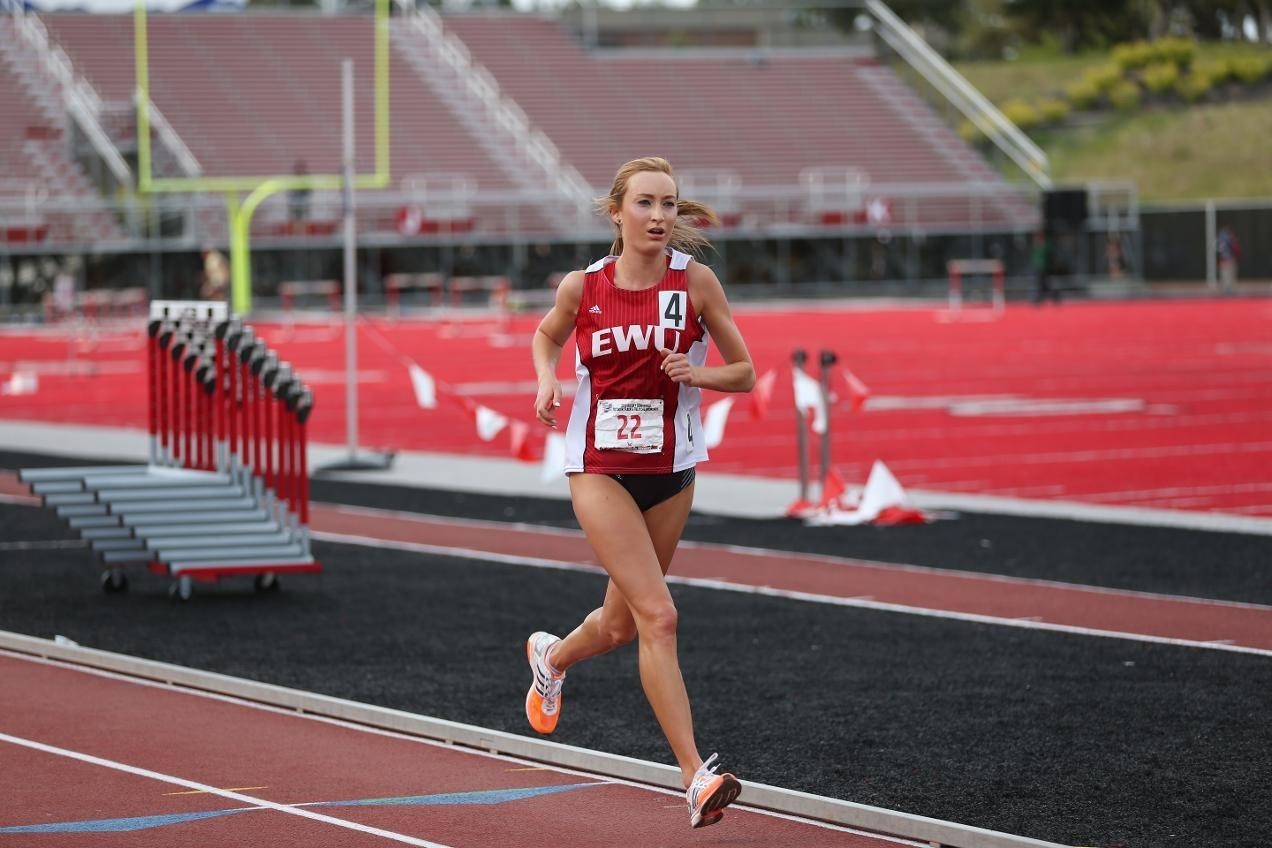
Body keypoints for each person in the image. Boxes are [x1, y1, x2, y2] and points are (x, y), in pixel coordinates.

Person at [528, 157, 755, 829]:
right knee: (660, 616)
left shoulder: (696, 283)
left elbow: (744, 371)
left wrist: (698, 375)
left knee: (621, 625)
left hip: (672, 471)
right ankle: (695, 777)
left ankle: (551, 657)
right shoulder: (584, 286)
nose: (659, 216)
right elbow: (546, 335)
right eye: (646, 203)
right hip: (599, 468)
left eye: (669, 204)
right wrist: (547, 378)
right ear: (617, 212)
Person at [1031, 228, 1058, 304]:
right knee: (1041, 283)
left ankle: (1050, 296)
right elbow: (1034, 257)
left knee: (1043, 283)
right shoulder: (1036, 246)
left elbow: (1049, 256)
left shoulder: (1046, 245)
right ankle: (1041, 297)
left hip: (1044, 268)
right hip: (1038, 268)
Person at [1216, 226, 1240, 294]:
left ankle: (1227, 289)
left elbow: (1219, 251)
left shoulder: (1220, 240)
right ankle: (1228, 289)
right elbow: (1235, 250)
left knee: (1226, 275)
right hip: (1228, 259)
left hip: (1225, 260)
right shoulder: (1228, 240)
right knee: (1228, 275)